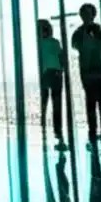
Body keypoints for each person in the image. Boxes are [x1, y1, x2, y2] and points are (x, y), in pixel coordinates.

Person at [71, 3, 101, 145]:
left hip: (97, 71)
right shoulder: (81, 32)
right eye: (83, 14)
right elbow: (75, 44)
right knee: (92, 104)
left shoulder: (97, 30)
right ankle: (94, 131)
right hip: (89, 71)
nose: (85, 16)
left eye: (87, 13)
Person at [37, 20, 66, 149]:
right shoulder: (54, 42)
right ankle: (57, 129)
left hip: (47, 72)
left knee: (46, 101)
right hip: (55, 72)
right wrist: (62, 69)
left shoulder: (40, 44)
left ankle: (44, 124)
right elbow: (61, 57)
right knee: (56, 102)